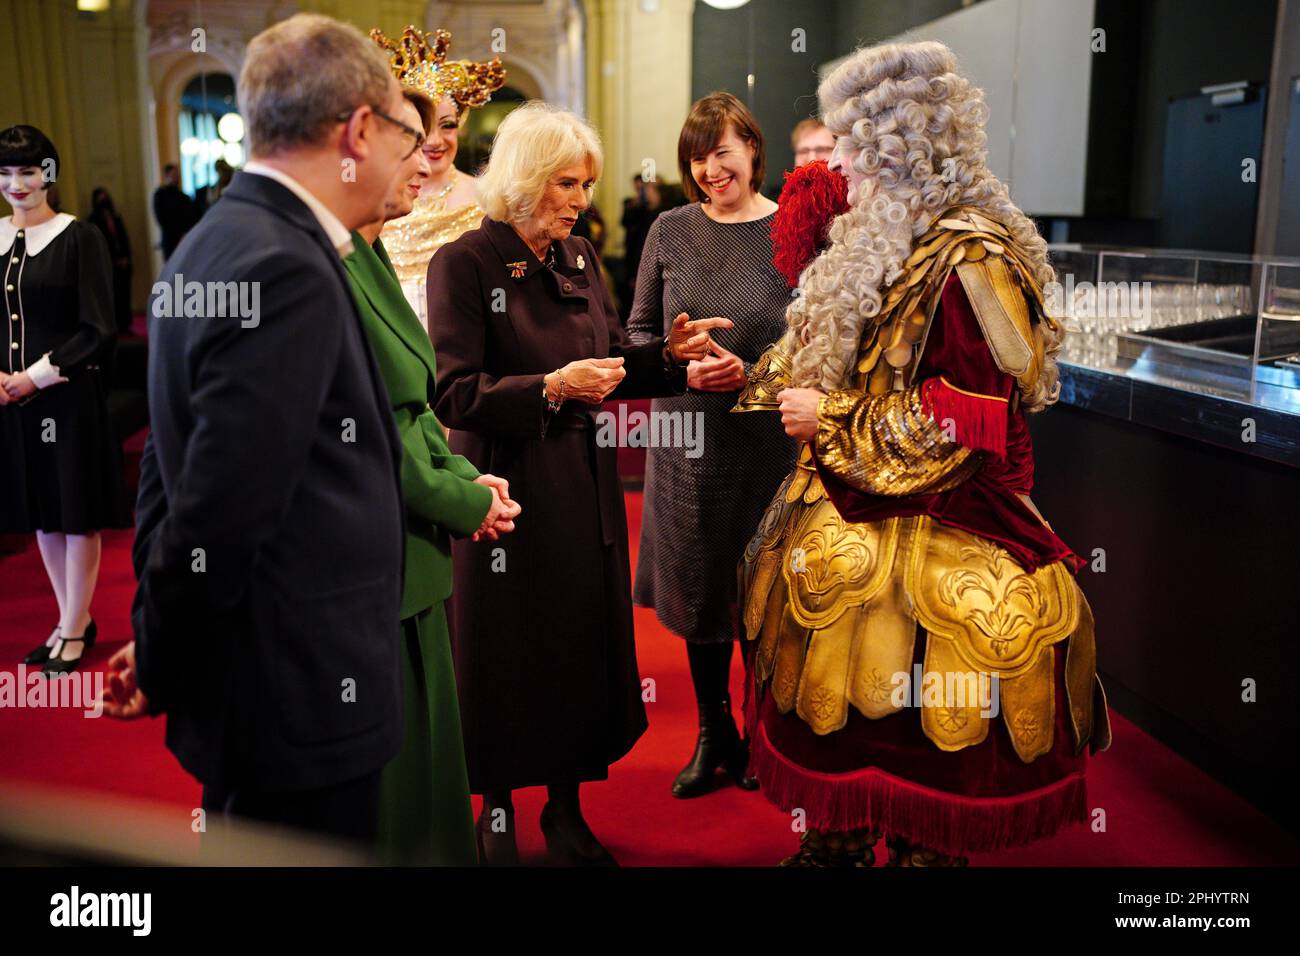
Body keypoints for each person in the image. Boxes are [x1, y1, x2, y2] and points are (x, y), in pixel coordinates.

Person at [736, 40, 1111, 867]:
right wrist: (756, 373)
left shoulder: (970, 259)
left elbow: (965, 423)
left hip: (946, 524)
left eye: (846, 144)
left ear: (891, 150)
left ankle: (919, 846)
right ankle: (840, 834)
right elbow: (854, 353)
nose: (834, 162)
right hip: (852, 503)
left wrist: (827, 416)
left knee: (917, 701)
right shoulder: (887, 235)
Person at [110, 13, 415, 850]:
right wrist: (164, 650)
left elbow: (163, 479)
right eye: (400, 131)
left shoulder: (212, 241)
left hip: (265, 674)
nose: (404, 157)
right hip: (299, 686)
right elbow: (217, 511)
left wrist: (154, 629)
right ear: (357, 128)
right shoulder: (284, 265)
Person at [427, 101, 731, 866]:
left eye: (585, 184)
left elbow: (612, 361)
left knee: (572, 651)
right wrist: (552, 388)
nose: (579, 200)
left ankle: (565, 810)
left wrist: (667, 355)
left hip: (582, 488)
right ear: (526, 179)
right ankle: (495, 814)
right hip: (503, 490)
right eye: (567, 183)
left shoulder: (581, 258)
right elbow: (454, 393)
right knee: (500, 656)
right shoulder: (463, 263)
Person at [344, 76, 520, 865]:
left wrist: (461, 478)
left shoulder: (401, 230)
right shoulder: (328, 252)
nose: (426, 157)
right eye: (409, 140)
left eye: (439, 132)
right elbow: (378, 416)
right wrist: (458, 494)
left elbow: (411, 401)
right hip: (373, 541)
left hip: (437, 479)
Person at [627, 92, 798, 798]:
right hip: (688, 443)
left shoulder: (793, 230)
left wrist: (751, 372)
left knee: (769, 594)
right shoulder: (670, 229)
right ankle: (712, 730)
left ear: (752, 148)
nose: (709, 169)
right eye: (697, 157)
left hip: (768, 442)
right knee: (700, 595)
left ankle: (764, 733)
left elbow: (819, 345)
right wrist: (675, 357)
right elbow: (638, 333)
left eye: (721, 151)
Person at [1, 125, 127, 675]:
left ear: (47, 175)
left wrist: (35, 376)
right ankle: (67, 619)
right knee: (44, 518)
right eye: (5, 174)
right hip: (15, 402)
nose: (16, 184)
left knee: (76, 516)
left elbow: (100, 327)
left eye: (28, 171)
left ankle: (75, 628)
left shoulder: (80, 237)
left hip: (67, 399)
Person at [375, 26, 505, 330]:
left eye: (446, 125)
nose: (434, 140)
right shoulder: (377, 202)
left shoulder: (488, 197)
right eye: (423, 126)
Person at [87, 187, 134, 334]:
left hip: (123, 263)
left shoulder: (116, 218)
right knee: (113, 297)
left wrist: (126, 257)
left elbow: (123, 239)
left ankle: (126, 324)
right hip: (108, 265)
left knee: (125, 295)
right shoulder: (92, 221)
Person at [151, 163, 198, 259]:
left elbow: (191, 217)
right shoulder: (160, 195)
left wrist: (184, 234)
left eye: (177, 175)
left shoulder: (184, 197)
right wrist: (177, 233)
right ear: (167, 176)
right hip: (170, 241)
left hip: (184, 240)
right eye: (174, 174)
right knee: (175, 271)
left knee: (183, 270)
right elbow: (161, 218)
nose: (177, 177)